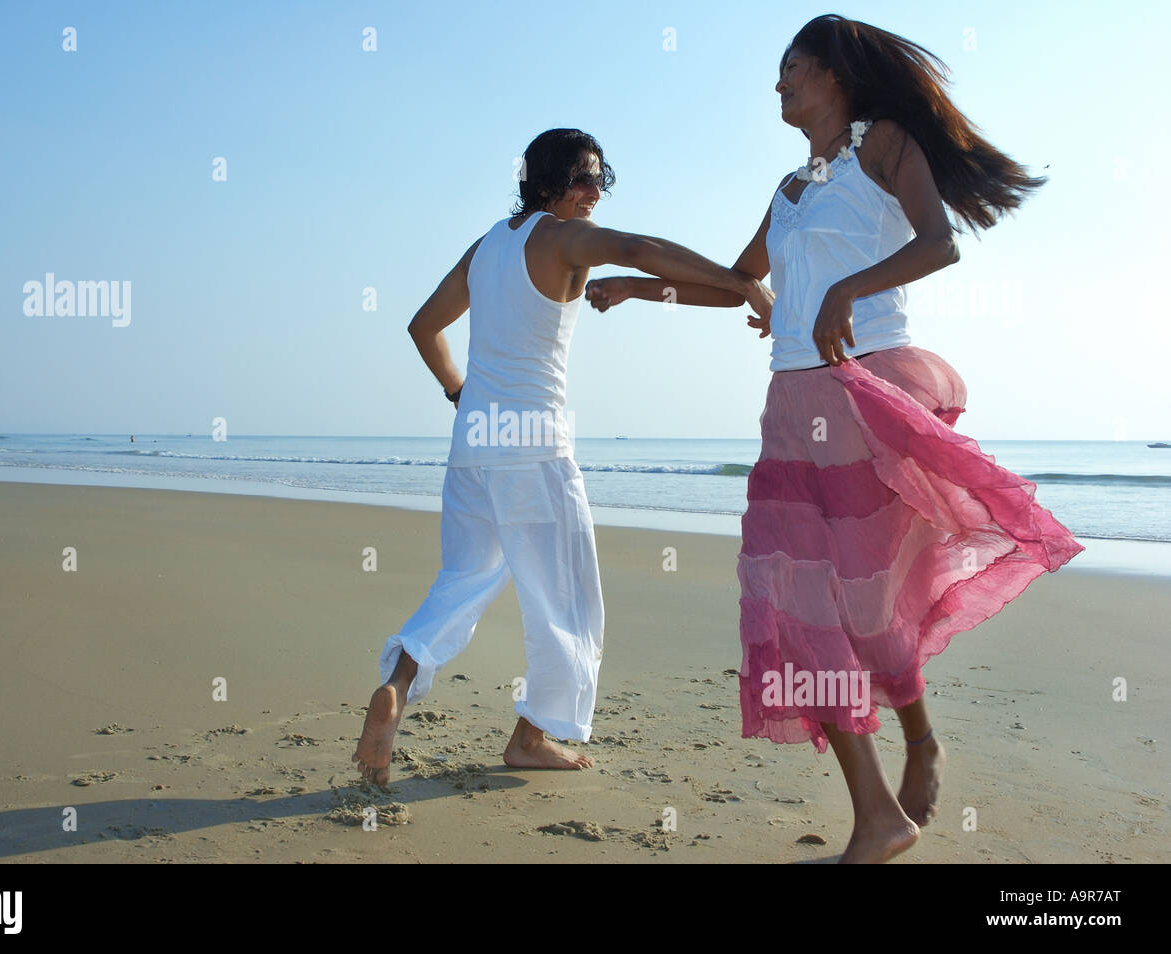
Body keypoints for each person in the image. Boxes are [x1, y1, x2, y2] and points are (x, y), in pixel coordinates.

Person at [586, 15, 1083, 862]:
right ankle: (879, 813)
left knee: (860, 603)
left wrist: (845, 291)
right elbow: (742, 283)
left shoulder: (883, 146)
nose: (777, 83)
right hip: (792, 408)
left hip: (871, 388)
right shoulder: (787, 187)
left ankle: (918, 739)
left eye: (790, 68)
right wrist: (641, 286)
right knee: (796, 605)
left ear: (833, 75)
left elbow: (940, 245)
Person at [352, 128, 767, 787]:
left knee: (461, 580)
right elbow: (640, 248)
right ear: (546, 181)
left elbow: (423, 327)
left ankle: (399, 685)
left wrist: (460, 392)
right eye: (583, 178)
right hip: (534, 448)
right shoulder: (561, 237)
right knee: (566, 603)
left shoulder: (488, 245)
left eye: (603, 179)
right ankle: (530, 737)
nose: (595, 192)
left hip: (474, 447)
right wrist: (743, 285)